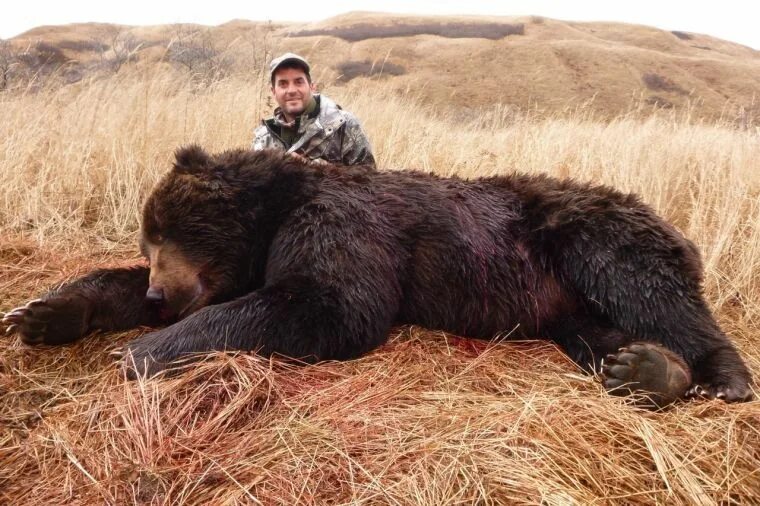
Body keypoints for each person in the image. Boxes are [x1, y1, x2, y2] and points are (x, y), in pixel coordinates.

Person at [252, 53, 376, 168]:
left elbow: (369, 180)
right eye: (283, 84)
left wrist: (313, 168)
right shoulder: (263, 138)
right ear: (273, 91)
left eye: (298, 82)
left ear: (312, 87)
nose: (291, 90)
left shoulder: (344, 124)